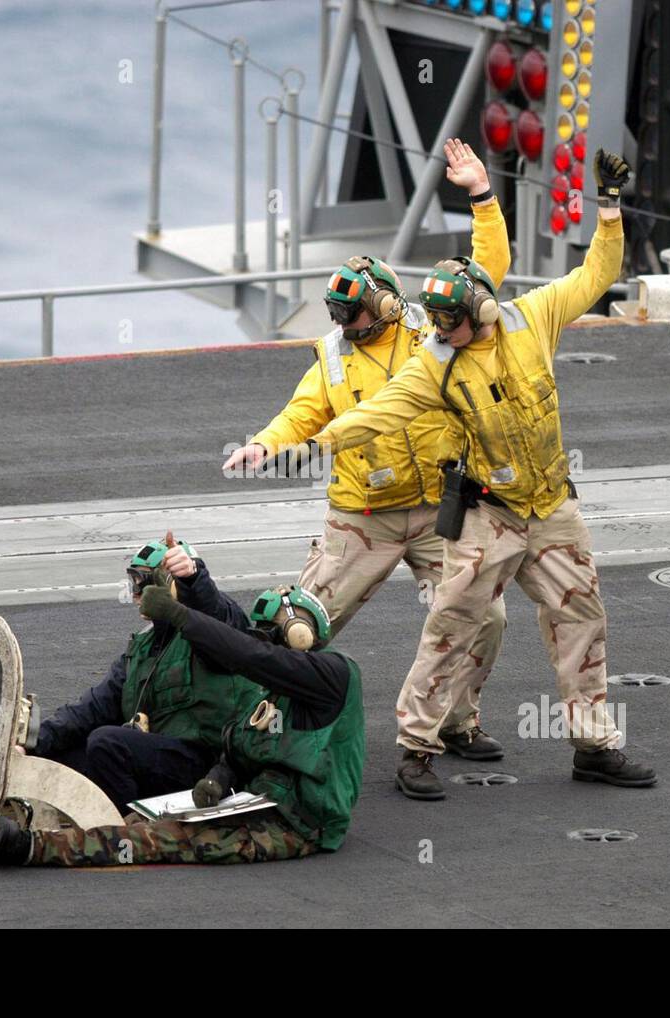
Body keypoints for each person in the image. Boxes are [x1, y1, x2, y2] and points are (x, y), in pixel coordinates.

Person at [294, 149, 656, 795]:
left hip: (550, 508)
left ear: (483, 310)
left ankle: (593, 745)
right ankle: (416, 747)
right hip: (490, 513)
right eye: (433, 322)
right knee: (454, 622)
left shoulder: (534, 317)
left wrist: (609, 206)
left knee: (581, 618)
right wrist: (320, 440)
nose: (438, 332)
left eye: (449, 321)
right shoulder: (437, 361)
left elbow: (600, 271)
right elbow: (380, 412)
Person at [221, 140, 511, 798]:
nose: (344, 326)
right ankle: (251, 735)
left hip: (439, 510)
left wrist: (481, 198)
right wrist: (267, 444)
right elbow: (300, 414)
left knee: (485, 617)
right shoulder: (331, 357)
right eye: (337, 316)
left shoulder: (427, 331)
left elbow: (487, 270)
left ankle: (454, 724)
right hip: (362, 518)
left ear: (383, 301)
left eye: (352, 314)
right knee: (299, 627)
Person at [0, 583, 365, 866]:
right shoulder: (274, 696)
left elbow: (251, 656)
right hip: (256, 803)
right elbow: (238, 743)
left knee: (164, 840)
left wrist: (182, 616)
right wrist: (218, 776)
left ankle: (32, 849)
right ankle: (33, 818)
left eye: (272, 634)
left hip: (300, 823)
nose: (265, 641)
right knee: (138, 817)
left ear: (301, 635)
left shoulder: (335, 675)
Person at [23, 534, 264, 813]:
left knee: (106, 743)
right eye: (132, 584)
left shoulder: (209, 635)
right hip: (156, 756)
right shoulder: (143, 647)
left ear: (169, 586)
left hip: (204, 764)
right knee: (63, 754)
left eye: (141, 584)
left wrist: (191, 579)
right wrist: (31, 744)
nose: (135, 596)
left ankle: (127, 832)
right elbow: (93, 707)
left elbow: (220, 618)